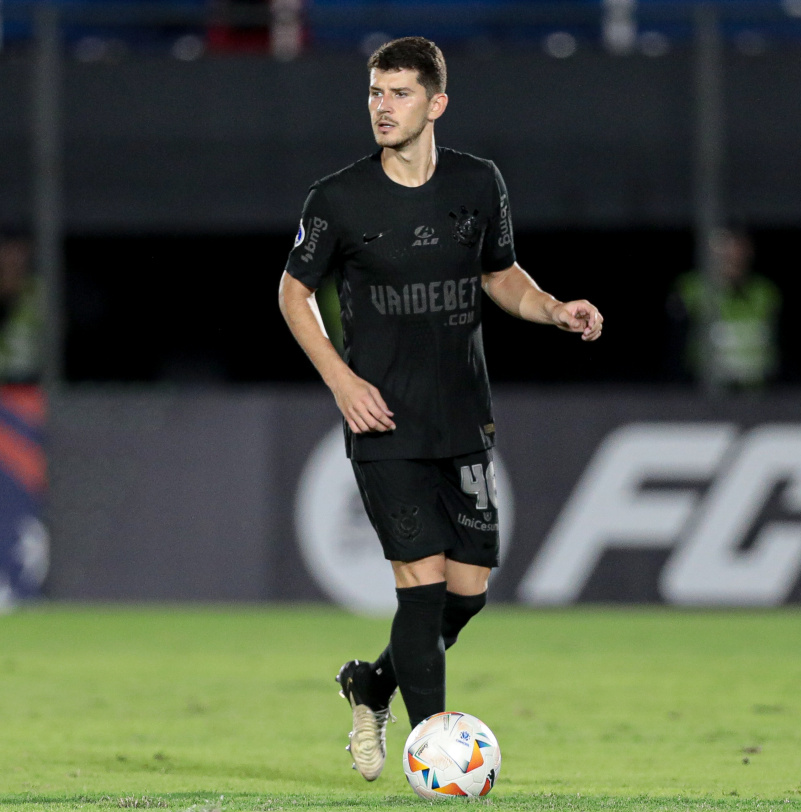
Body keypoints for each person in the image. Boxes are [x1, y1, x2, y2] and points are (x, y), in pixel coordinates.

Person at [278, 36, 603, 782]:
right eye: (373, 93)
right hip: (381, 422)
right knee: (418, 588)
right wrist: (341, 381)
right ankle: (437, 756)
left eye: (397, 93)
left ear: (436, 103)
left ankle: (371, 683)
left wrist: (552, 309)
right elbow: (292, 292)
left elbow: (500, 273)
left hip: (462, 418)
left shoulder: (476, 183)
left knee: (466, 594)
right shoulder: (337, 198)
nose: (382, 107)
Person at [666, 228, 780, 390]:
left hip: (756, 393)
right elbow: (674, 348)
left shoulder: (765, 291)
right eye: (725, 248)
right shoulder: (690, 289)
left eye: (739, 248)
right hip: (705, 392)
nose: (732, 255)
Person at [0, 234, 42, 384]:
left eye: (19, 254)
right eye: (8, 253)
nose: (14, 260)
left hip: (27, 380)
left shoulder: (37, 291)